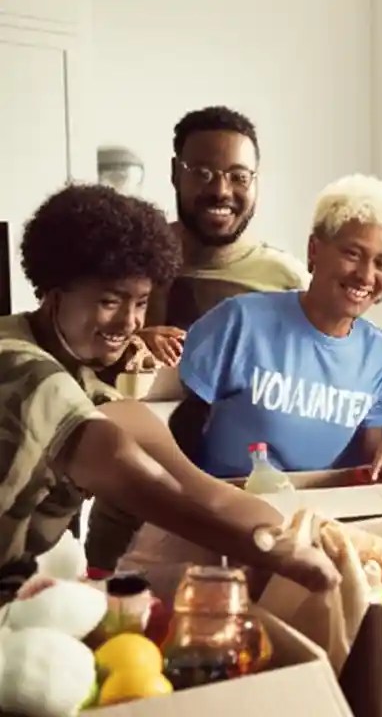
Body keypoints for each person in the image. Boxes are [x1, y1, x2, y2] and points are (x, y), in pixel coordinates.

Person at [0, 183, 337, 602]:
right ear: (54, 292)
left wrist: (295, 539)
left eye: (140, 303)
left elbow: (197, 488)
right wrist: (269, 554)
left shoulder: (84, 380)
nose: (129, 322)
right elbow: (128, 473)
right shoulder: (18, 364)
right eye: (110, 301)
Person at [170, 173, 382, 480]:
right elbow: (178, 428)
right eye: (352, 254)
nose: (366, 276)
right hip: (227, 505)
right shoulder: (239, 321)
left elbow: (372, 460)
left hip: (321, 515)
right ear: (314, 250)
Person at [132, 106, 308, 368]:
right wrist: (132, 343)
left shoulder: (289, 282)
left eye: (239, 177)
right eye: (203, 174)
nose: (221, 191)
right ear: (175, 174)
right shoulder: (130, 258)